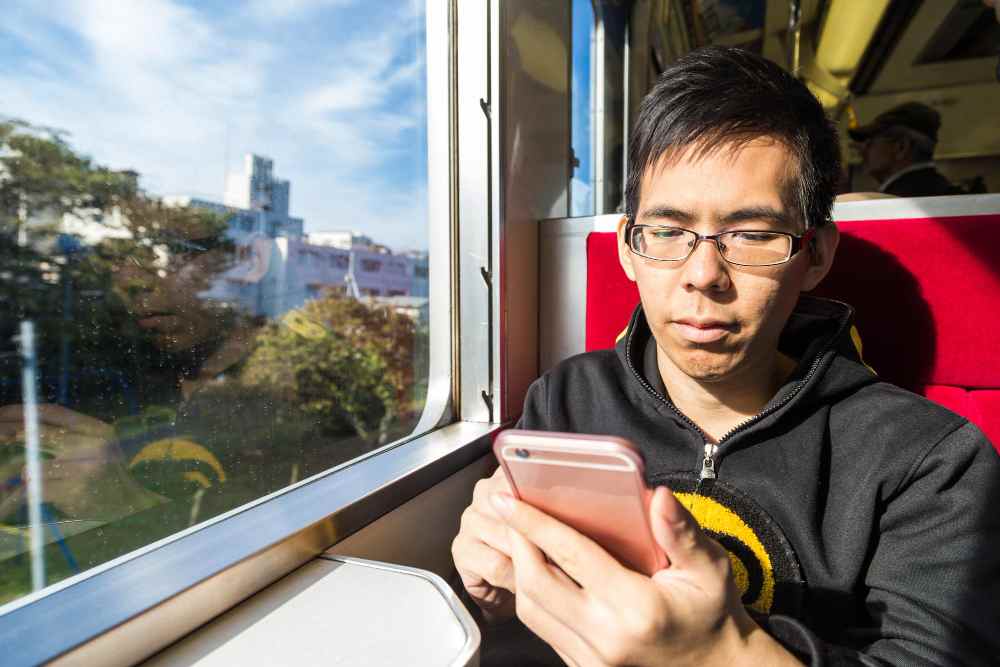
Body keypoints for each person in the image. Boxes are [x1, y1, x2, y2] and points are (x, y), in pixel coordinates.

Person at [452, 46, 1000, 665]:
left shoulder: (931, 461)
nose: (703, 274)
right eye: (667, 231)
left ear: (815, 255)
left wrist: (723, 653)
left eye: (753, 236)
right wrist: (499, 593)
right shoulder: (568, 398)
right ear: (629, 250)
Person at [849, 101, 961, 197]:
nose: (861, 149)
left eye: (870, 142)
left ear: (901, 147)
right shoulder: (948, 192)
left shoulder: (890, 203)